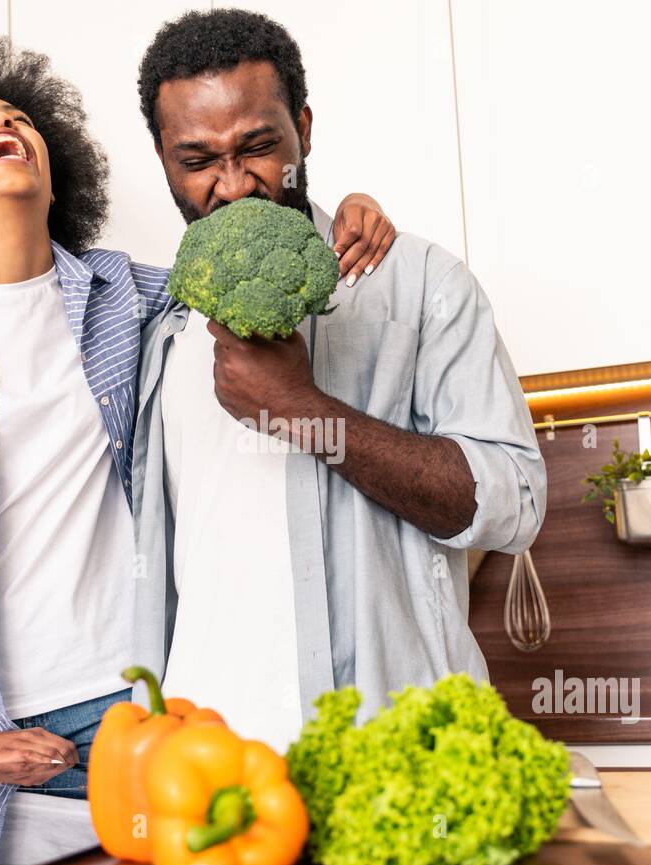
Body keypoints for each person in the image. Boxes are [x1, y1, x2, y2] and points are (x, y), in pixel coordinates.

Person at [0, 26, 396, 766]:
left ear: (57, 180)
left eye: (18, 119)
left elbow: (260, 256)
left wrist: (350, 206)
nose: (0, 124)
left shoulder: (143, 298)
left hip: (140, 713)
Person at [129, 9, 546, 751]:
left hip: (399, 756)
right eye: (197, 160)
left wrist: (304, 410)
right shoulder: (150, 323)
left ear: (304, 129)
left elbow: (515, 503)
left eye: (258, 146)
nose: (233, 185)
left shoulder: (418, 284)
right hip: (211, 773)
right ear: (162, 159)